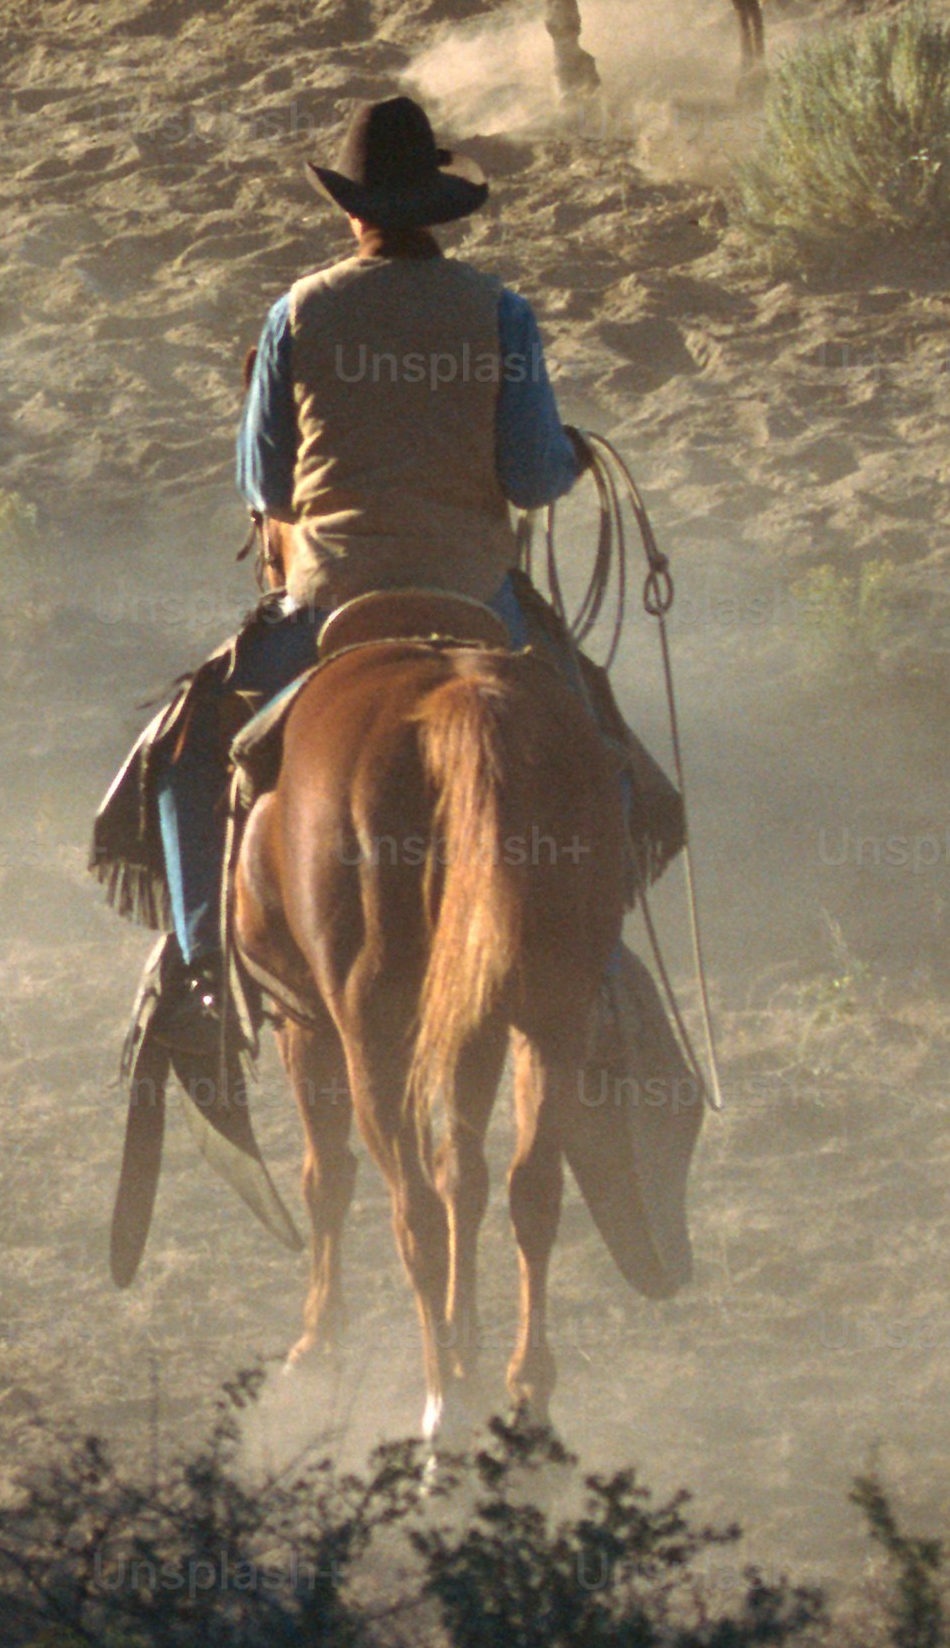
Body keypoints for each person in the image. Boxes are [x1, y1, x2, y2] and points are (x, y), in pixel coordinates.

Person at [136, 96, 687, 1098]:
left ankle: (203, 979)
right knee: (600, 759)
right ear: (435, 211)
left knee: (183, 749)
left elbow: (262, 483)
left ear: (352, 212)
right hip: (477, 594)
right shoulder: (497, 309)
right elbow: (525, 474)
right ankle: (593, 974)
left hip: (329, 597)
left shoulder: (298, 310)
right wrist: (569, 456)